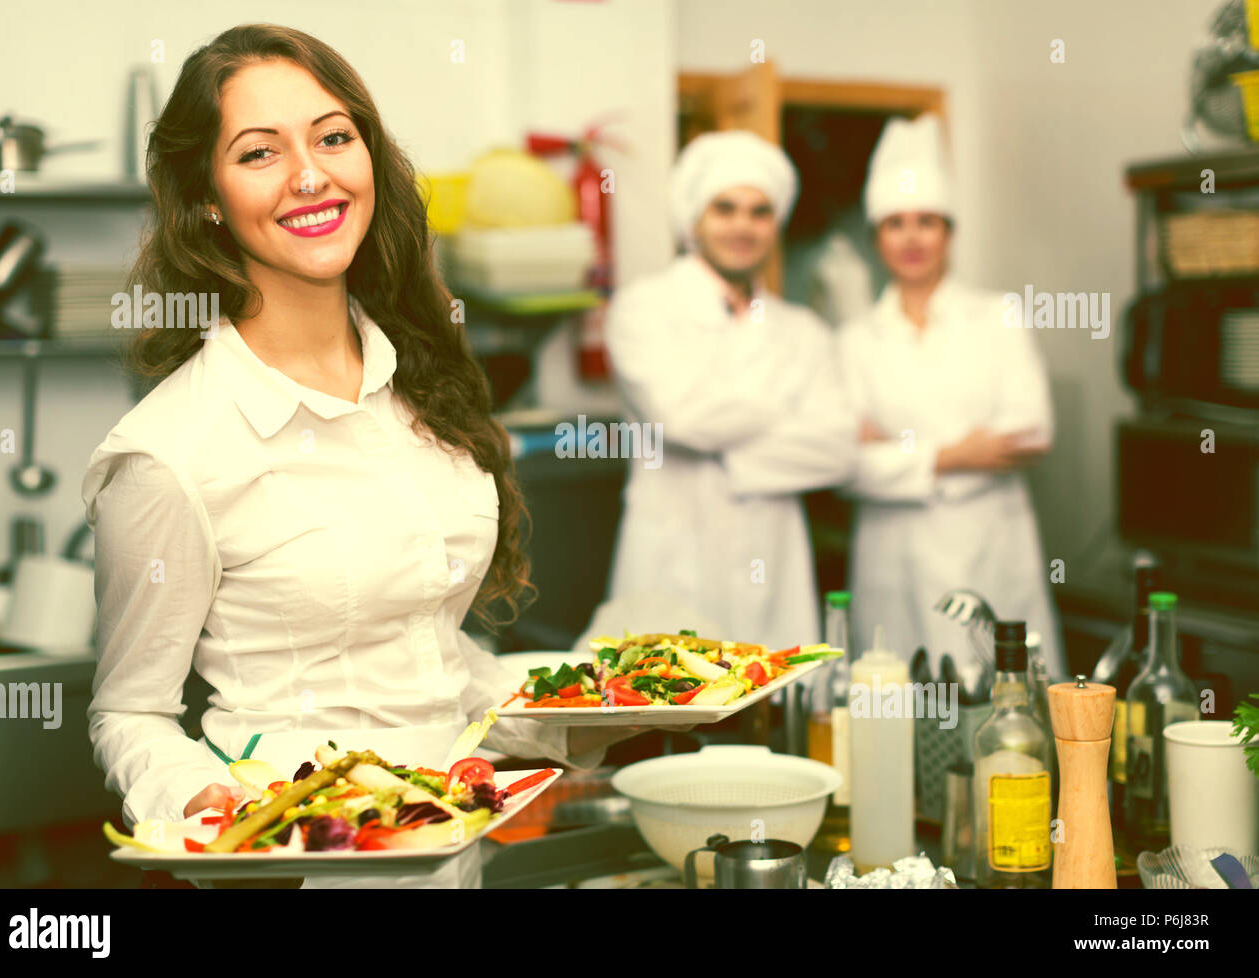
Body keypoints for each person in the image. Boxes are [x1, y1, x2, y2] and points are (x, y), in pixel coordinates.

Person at [82, 24, 646, 890]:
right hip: (301, 867)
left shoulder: (419, 380)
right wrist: (204, 804)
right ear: (206, 198)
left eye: (333, 137)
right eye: (260, 152)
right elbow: (130, 710)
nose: (310, 174)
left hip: (454, 854)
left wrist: (584, 712)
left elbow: (429, 661)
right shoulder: (169, 451)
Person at [603, 130, 856, 651]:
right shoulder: (642, 308)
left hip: (774, 562)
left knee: (777, 689)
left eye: (760, 212)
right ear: (694, 219)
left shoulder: (803, 330)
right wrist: (790, 409)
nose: (743, 225)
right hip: (671, 556)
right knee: (662, 688)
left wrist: (731, 456)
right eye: (725, 208)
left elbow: (838, 447)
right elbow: (682, 419)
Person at [835, 114, 1065, 679]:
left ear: (949, 233)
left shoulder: (998, 316)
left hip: (989, 547)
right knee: (897, 702)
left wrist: (897, 452)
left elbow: (1032, 430)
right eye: (895, 223)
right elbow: (845, 463)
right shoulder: (853, 340)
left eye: (927, 221)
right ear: (876, 237)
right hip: (893, 556)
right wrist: (959, 453)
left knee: (1004, 703)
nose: (912, 238)